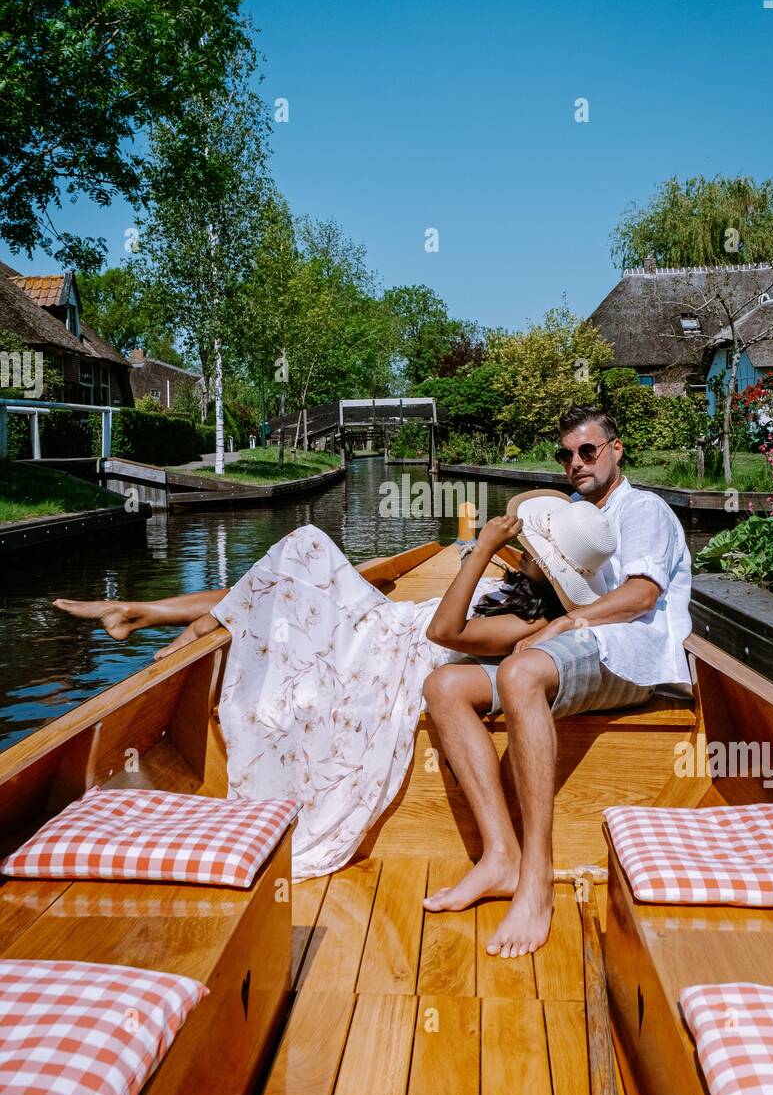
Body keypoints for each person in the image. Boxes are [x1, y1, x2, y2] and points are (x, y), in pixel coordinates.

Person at [53, 497, 617, 885]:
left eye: (535, 548)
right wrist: (484, 559)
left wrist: (487, 547)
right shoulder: (513, 591)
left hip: (389, 651)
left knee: (303, 559)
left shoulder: (527, 625)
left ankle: (170, 620)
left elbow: (442, 632)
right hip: (390, 623)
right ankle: (143, 611)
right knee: (295, 570)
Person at [422, 404, 692, 960]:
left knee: (522, 672)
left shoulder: (643, 509)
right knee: (444, 687)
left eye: (587, 450)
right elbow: (522, 605)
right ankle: (500, 856)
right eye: (565, 454)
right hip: (573, 649)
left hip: (631, 654)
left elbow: (642, 596)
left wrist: (569, 621)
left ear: (616, 449)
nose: (575, 462)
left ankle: (537, 879)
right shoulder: (569, 517)